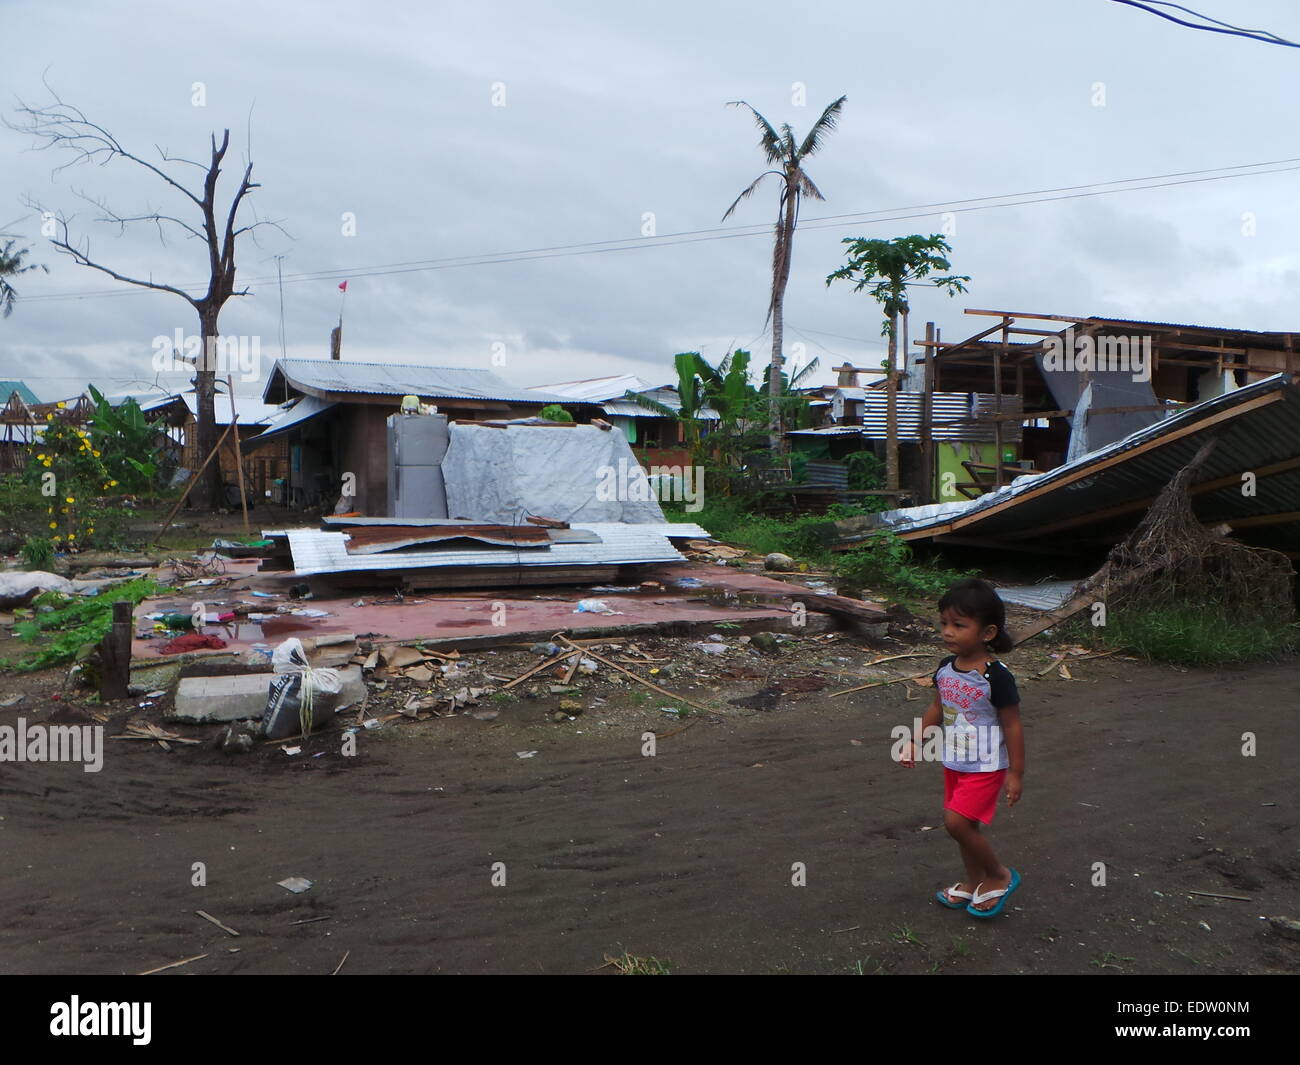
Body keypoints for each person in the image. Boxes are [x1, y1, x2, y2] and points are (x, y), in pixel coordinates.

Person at [899, 578, 1024, 918]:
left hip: (986, 766)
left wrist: (1015, 773)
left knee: (955, 823)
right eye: (943, 623)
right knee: (966, 829)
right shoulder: (945, 668)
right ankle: (974, 882)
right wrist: (914, 739)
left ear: (987, 633)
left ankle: (999, 874)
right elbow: (937, 708)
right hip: (954, 762)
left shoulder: (996, 676)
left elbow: (1012, 724)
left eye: (959, 625)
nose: (948, 632)